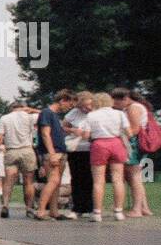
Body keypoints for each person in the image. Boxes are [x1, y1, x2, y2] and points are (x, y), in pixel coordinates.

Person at [85, 92, 132, 221]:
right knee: (118, 179)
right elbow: (129, 132)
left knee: (98, 181)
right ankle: (118, 211)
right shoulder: (120, 114)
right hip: (116, 143)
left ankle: (97, 213)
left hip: (99, 144)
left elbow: (86, 135)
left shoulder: (91, 115)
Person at [34, 89, 76, 220]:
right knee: (53, 180)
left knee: (57, 183)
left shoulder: (56, 116)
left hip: (61, 151)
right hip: (52, 153)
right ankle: (41, 210)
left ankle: (54, 211)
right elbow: (45, 134)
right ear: (62, 100)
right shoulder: (46, 113)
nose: (68, 109)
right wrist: (52, 154)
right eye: (69, 105)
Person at [0, 101, 39, 218]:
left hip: (11, 150)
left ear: (11, 108)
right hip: (26, 149)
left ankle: (5, 205)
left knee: (8, 181)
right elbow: (46, 115)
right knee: (28, 181)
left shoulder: (4, 118)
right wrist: (33, 110)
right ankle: (29, 208)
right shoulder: (30, 117)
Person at [114, 88, 153, 218]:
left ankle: (137, 209)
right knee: (133, 177)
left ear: (124, 99)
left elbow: (134, 129)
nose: (115, 106)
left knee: (134, 176)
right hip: (132, 142)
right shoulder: (132, 107)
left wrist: (118, 137)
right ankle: (144, 207)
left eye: (116, 103)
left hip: (133, 144)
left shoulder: (133, 108)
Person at [63, 90, 94, 217]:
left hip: (91, 148)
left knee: (90, 179)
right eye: (84, 106)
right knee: (76, 179)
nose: (87, 108)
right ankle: (77, 208)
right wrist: (72, 130)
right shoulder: (74, 113)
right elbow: (63, 126)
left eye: (89, 105)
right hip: (75, 148)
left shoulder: (96, 113)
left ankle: (91, 207)